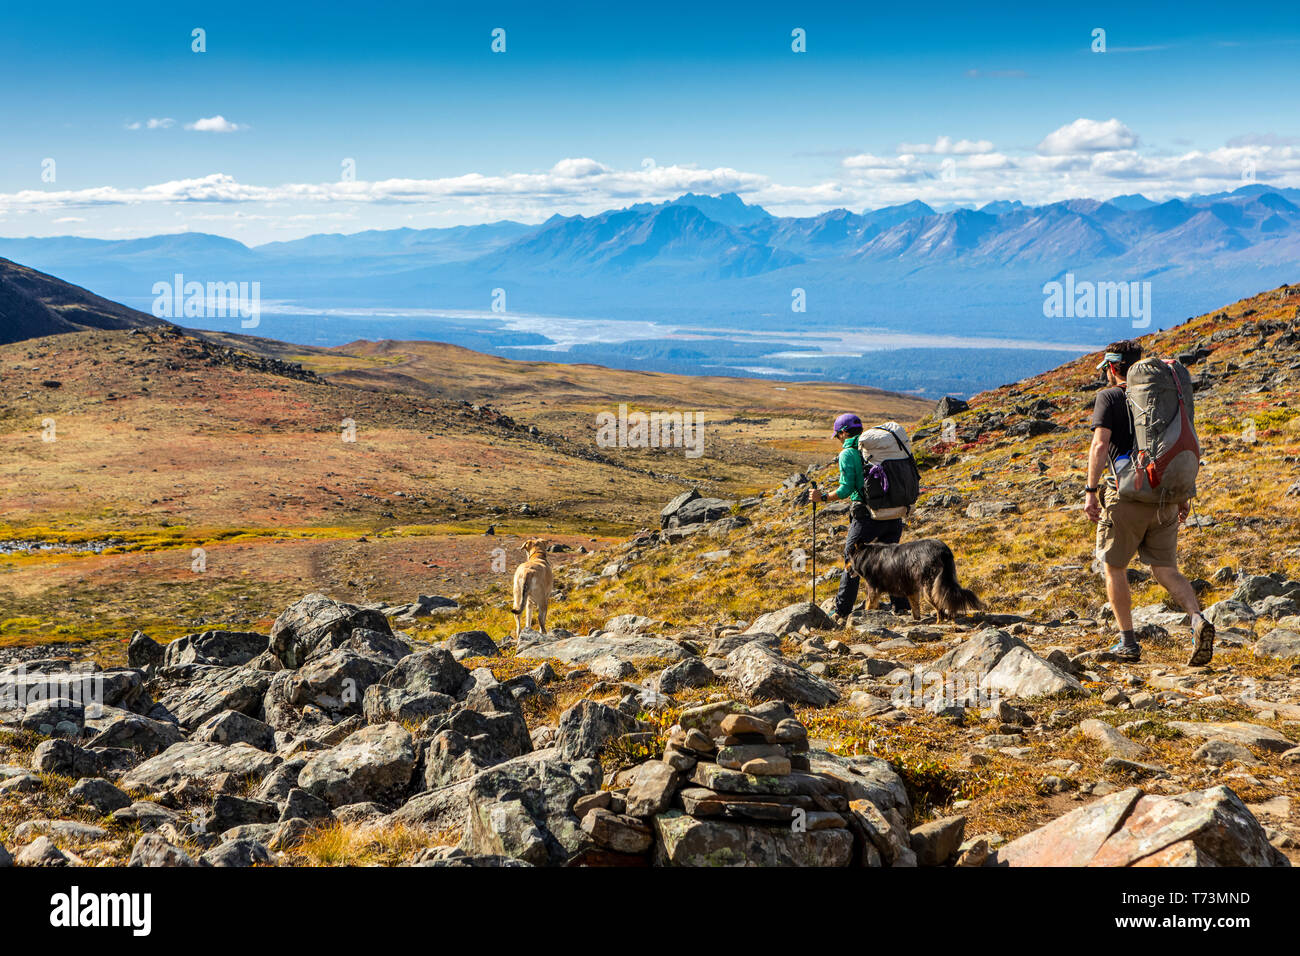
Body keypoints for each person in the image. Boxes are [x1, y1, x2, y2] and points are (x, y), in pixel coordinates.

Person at [1084, 340, 1214, 665]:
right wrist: (1182, 494)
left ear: (1113, 367)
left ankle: (1127, 642)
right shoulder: (1165, 400)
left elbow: (1100, 445)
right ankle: (1197, 619)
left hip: (1126, 497)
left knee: (1114, 566)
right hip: (1166, 496)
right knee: (1166, 569)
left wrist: (1090, 490)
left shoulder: (1109, 397)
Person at [809, 413, 909, 625]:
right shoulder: (876, 449)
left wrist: (823, 497)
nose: (839, 439)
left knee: (852, 560)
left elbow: (847, 489)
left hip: (867, 516)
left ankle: (842, 611)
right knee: (890, 560)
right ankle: (901, 608)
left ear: (843, 433)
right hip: (893, 513)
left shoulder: (849, 453)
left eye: (838, 435)